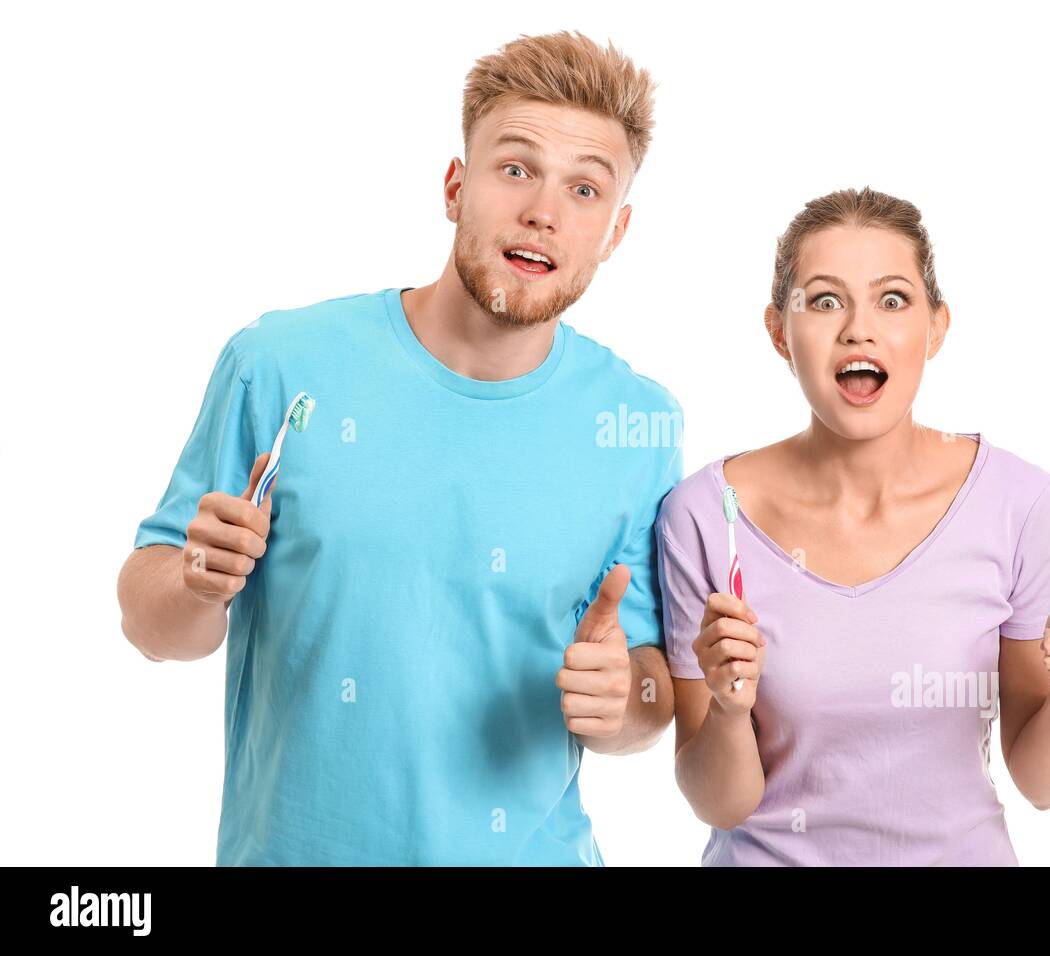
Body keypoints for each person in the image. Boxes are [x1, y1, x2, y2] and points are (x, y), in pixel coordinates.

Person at [117, 31, 683, 866]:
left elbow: (650, 691)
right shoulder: (280, 365)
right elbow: (150, 621)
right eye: (516, 168)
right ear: (456, 187)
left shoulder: (638, 424)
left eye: (585, 188)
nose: (544, 211)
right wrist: (200, 583)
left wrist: (622, 700)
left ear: (616, 230)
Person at [656, 186, 1050, 866]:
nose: (858, 329)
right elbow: (720, 804)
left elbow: (1043, 784)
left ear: (936, 326)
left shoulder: (1021, 502)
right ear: (780, 330)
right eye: (826, 300)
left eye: (892, 299)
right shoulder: (702, 515)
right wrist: (726, 708)